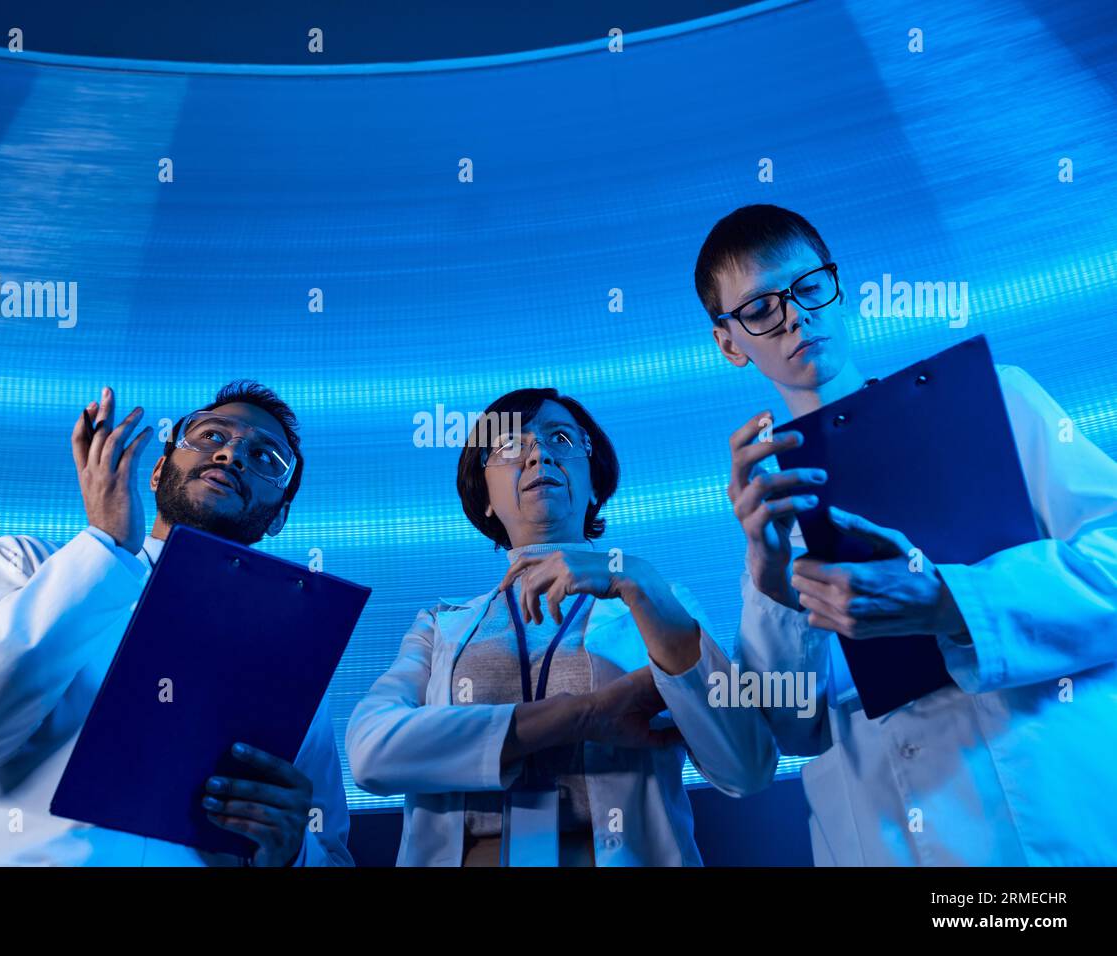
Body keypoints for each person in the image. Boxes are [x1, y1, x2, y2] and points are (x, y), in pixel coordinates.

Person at [695, 203, 1117, 864]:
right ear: (728, 342)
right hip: (897, 839)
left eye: (808, 288)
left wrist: (949, 601)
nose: (794, 318)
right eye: (759, 310)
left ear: (838, 286)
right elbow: (793, 729)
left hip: (1057, 808)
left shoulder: (993, 401)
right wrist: (772, 585)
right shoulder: (772, 521)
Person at [0, 381, 352, 866]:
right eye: (212, 436)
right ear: (158, 471)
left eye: (265, 458)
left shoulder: (293, 663)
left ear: (279, 517)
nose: (231, 456)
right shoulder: (23, 566)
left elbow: (331, 853)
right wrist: (105, 547)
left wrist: (292, 853)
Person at [346, 388, 776, 866]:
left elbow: (747, 767)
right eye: (509, 447)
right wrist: (584, 715)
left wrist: (637, 582)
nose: (538, 455)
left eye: (561, 438)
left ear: (594, 483)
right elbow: (371, 751)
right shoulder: (439, 626)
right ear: (483, 495)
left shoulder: (660, 604)